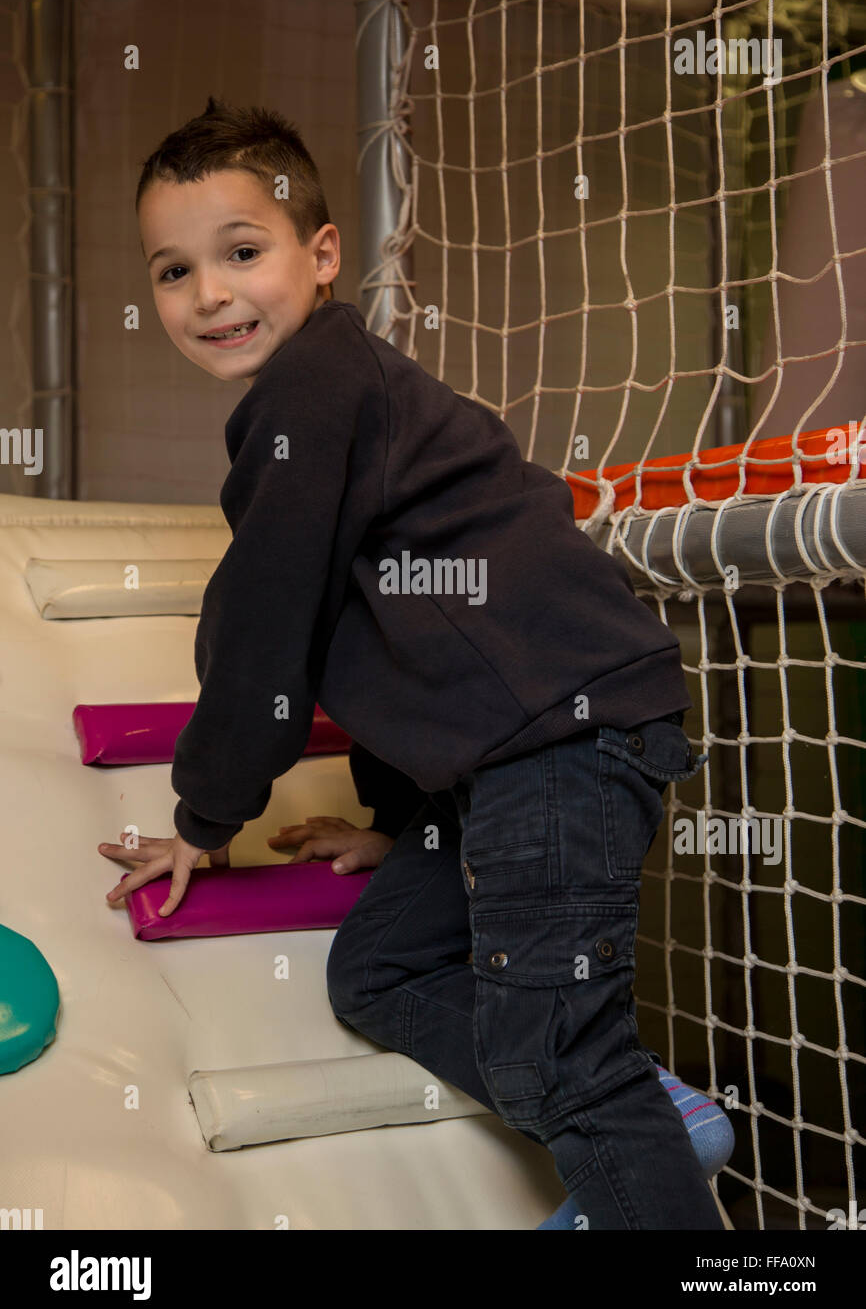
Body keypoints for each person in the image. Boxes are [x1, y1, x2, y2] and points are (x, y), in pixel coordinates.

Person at [99, 97, 730, 1229]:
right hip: (512, 760)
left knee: (553, 1061)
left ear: (322, 254)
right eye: (173, 271)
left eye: (242, 253)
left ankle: (619, 1126)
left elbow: (267, 631)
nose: (209, 294)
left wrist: (204, 820)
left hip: (561, 743)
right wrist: (397, 821)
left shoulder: (311, 395)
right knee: (377, 970)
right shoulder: (324, 404)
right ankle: (637, 1108)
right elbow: (390, 636)